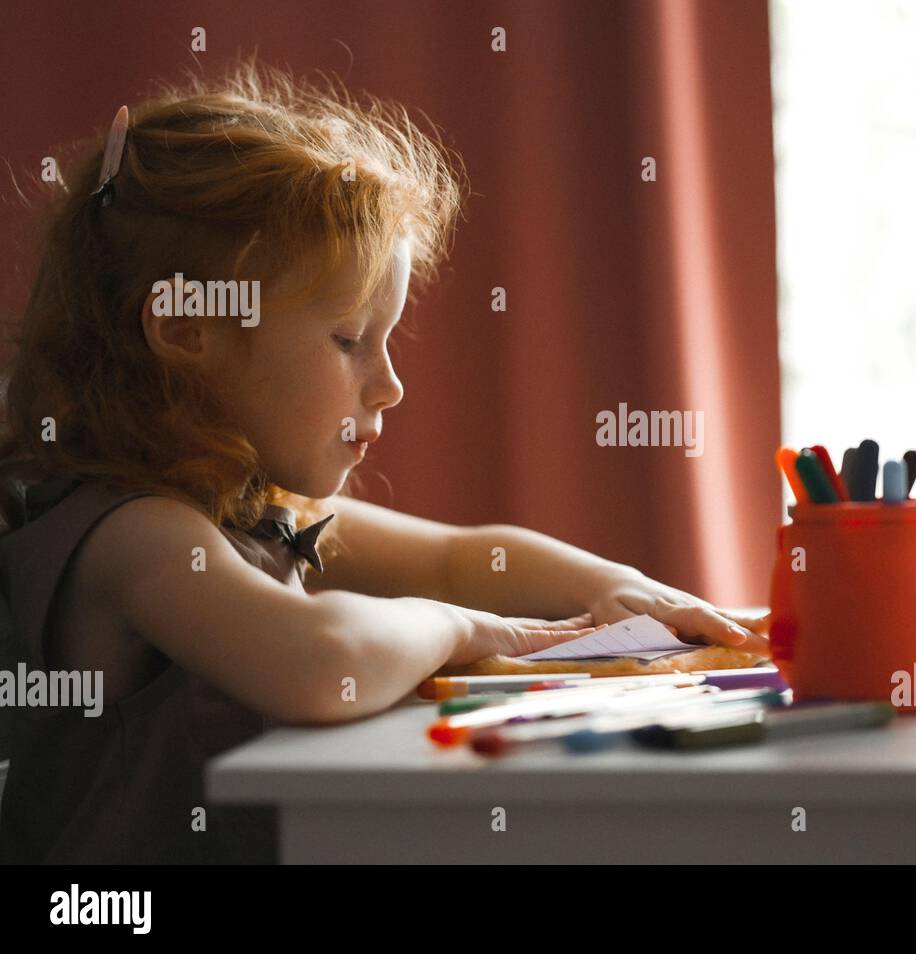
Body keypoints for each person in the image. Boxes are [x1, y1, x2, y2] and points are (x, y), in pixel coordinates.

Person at [0, 59, 768, 863]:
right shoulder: (135, 540)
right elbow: (320, 659)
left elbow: (458, 555)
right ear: (191, 330)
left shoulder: (244, 510)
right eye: (347, 341)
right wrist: (458, 629)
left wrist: (614, 588)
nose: (390, 384)